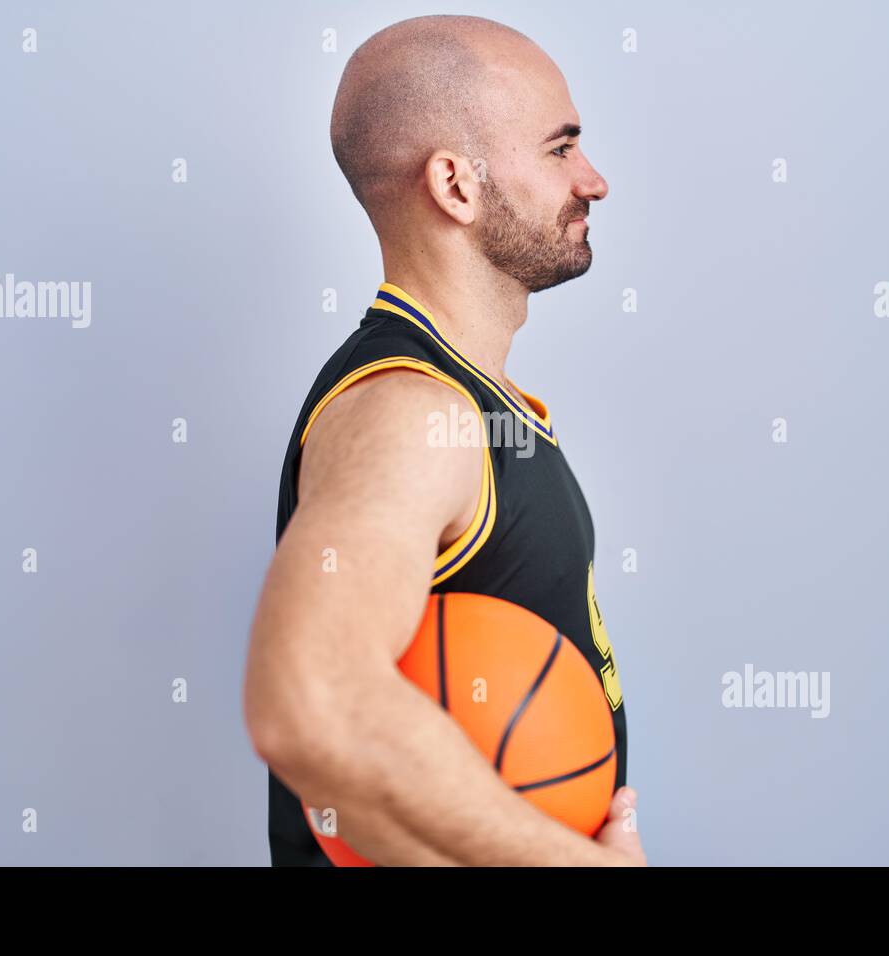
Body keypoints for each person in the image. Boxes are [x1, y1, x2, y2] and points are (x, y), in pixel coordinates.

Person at [243, 14, 642, 866]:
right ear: (456, 186)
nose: (595, 180)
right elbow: (306, 703)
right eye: (560, 149)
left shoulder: (470, 400)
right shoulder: (414, 412)